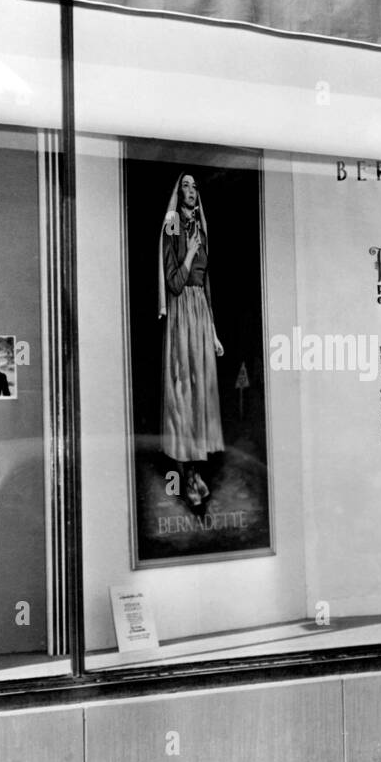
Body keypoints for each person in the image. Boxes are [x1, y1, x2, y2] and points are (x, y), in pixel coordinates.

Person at [157, 171, 224, 509]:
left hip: (199, 313)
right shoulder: (173, 226)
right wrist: (187, 254)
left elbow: (205, 284)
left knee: (202, 392)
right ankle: (186, 475)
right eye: (184, 184)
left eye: (195, 186)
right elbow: (173, 282)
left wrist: (212, 332)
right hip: (181, 313)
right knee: (184, 389)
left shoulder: (201, 228)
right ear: (177, 191)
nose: (191, 190)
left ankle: (197, 471)